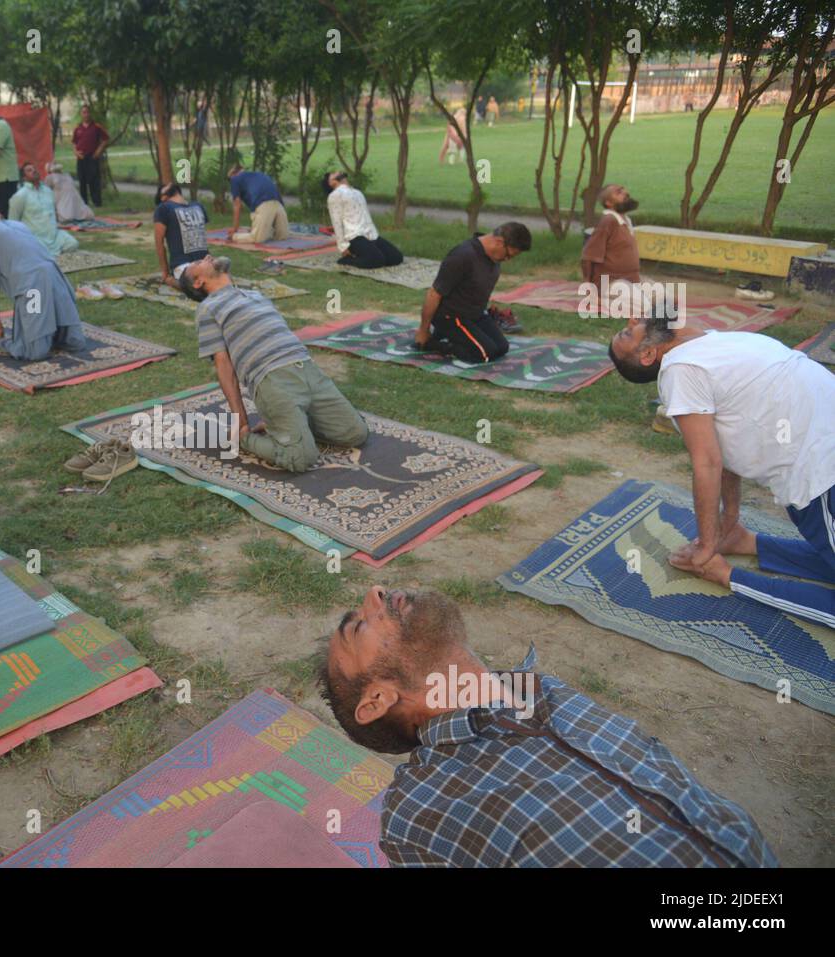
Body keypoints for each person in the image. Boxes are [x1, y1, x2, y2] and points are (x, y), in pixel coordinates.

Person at [318, 584, 777, 866]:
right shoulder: (418, 812)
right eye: (358, 627)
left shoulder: (544, 689)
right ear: (378, 699)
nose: (375, 592)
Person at [608, 312, 835, 630]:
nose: (632, 321)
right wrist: (707, 544)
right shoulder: (682, 370)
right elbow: (709, 462)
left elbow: (723, 450)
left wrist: (726, 524)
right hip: (825, 475)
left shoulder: (707, 342)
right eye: (626, 332)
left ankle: (745, 544)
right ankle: (725, 573)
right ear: (647, 354)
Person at [179, 253, 367, 473]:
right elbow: (223, 364)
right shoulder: (208, 308)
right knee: (300, 458)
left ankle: (285, 425)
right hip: (272, 379)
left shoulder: (254, 294)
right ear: (198, 282)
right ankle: (246, 440)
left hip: (306, 367)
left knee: (355, 433)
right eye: (199, 262)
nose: (207, 256)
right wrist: (240, 420)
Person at [0, 201, 85, 360]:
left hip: (33, 286)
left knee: (34, 351)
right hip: (55, 276)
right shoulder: (18, 225)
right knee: (74, 342)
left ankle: (2, 343)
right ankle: (48, 334)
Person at [415, 223, 532, 363]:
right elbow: (434, 293)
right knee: (485, 354)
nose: (507, 260)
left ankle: (447, 335)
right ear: (499, 242)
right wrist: (423, 329)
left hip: (475, 314)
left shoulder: (494, 256)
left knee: (502, 348)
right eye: (508, 255)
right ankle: (435, 344)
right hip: (451, 316)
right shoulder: (463, 255)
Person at [323, 170, 403, 270]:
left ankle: (368, 256)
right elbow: (336, 222)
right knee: (376, 260)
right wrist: (343, 247)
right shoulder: (334, 196)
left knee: (396, 258)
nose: (337, 171)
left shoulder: (357, 192)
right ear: (331, 183)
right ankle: (347, 261)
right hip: (354, 236)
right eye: (333, 174)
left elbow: (366, 216)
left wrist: (374, 236)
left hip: (370, 234)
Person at [8, 162, 79, 256]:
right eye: (29, 170)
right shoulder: (20, 196)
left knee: (73, 244)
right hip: (35, 237)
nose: (34, 171)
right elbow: (13, 222)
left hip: (53, 235)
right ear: (24, 178)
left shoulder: (47, 191)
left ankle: (48, 253)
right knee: (36, 250)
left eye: (34, 169)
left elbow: (54, 213)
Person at [581, 183, 641, 286]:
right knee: (642, 302)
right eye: (619, 192)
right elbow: (589, 257)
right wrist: (591, 289)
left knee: (668, 297)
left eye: (624, 190)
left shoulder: (626, 220)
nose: (625, 193)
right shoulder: (609, 220)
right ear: (608, 203)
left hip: (632, 281)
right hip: (612, 283)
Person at [153, 182, 208, 286]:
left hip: (205, 261)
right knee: (198, 286)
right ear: (163, 198)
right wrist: (165, 273)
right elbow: (159, 242)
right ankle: (181, 283)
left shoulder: (198, 205)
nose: (167, 183)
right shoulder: (163, 208)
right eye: (163, 188)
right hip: (183, 264)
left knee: (224, 273)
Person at [226, 164, 288, 244]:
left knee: (257, 238)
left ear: (233, 174)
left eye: (229, 179)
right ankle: (263, 230)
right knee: (282, 236)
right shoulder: (259, 175)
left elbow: (237, 206)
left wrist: (235, 229)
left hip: (264, 205)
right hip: (278, 205)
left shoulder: (235, 179)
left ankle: (235, 237)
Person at [71, 104, 109, 208]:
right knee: (82, 180)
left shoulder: (96, 127)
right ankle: (84, 203)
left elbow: (105, 139)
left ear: (90, 113)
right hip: (81, 158)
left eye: (87, 112)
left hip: (92, 157)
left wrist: (99, 151)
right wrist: (76, 152)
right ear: (81, 114)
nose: (86, 114)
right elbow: (74, 142)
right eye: (84, 112)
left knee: (94, 180)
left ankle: (97, 202)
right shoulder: (77, 128)